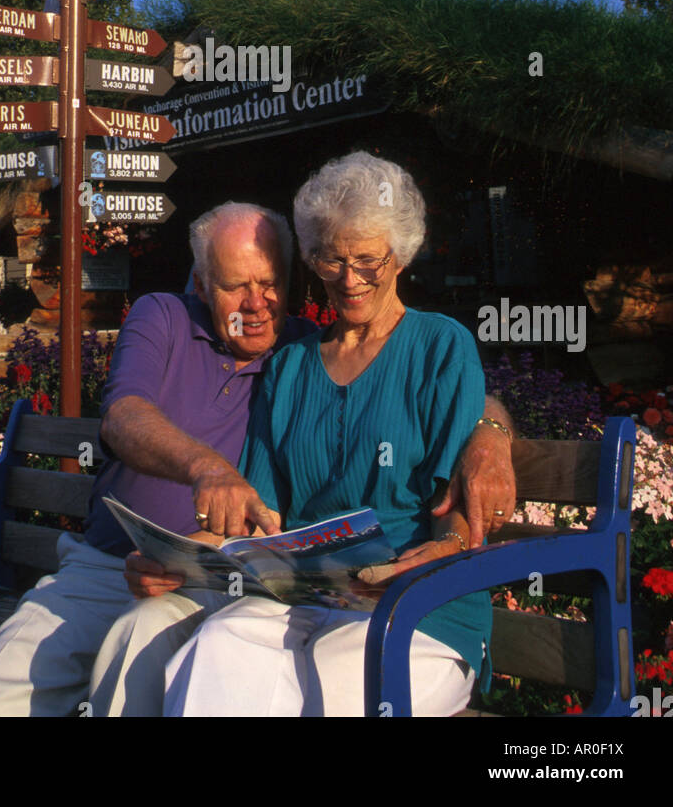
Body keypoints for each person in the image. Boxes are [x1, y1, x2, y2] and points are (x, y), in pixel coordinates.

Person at [0, 196, 513, 717]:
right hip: (126, 565)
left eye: (270, 284)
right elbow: (123, 417)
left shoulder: (298, 347)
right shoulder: (171, 320)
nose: (256, 304)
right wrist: (206, 471)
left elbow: (445, 384)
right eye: (236, 286)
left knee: (169, 643)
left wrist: (491, 430)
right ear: (202, 284)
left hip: (240, 583)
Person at [89, 153, 505, 717]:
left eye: (366, 259)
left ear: (400, 255)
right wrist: (177, 561)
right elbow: (264, 521)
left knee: (334, 679)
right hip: (306, 595)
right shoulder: (291, 367)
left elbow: (457, 500)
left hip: (415, 599)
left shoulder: (441, 347)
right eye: (330, 258)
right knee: (218, 647)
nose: (348, 278)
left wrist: (450, 547)